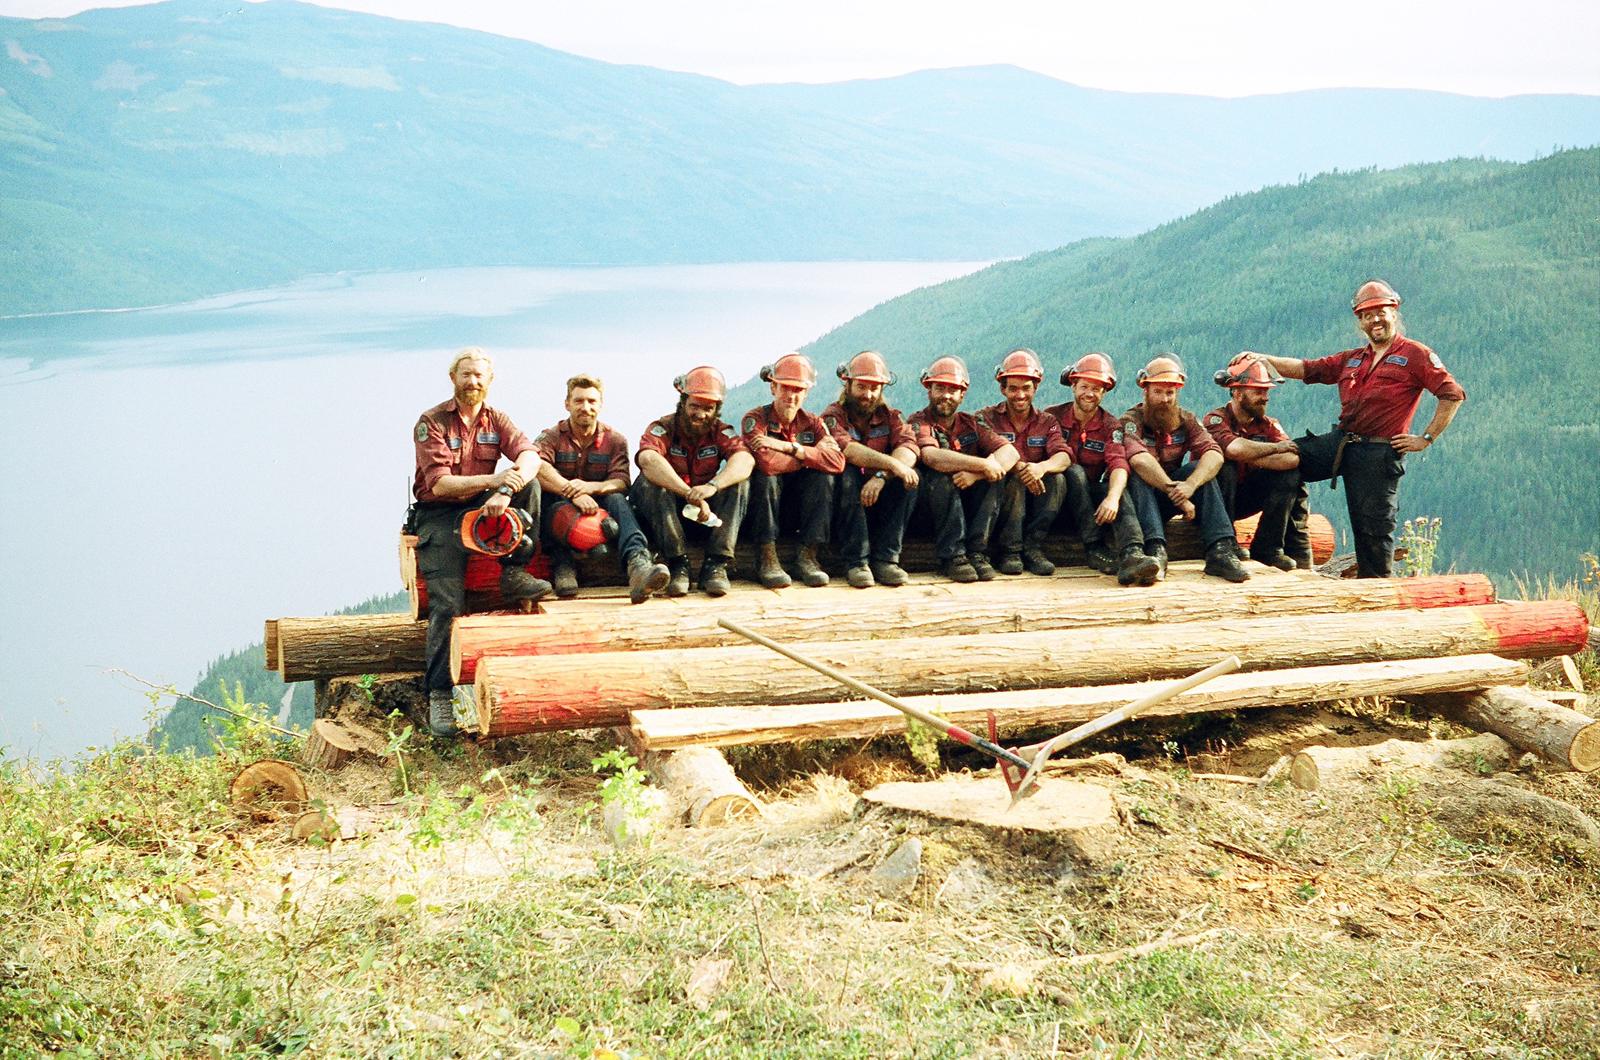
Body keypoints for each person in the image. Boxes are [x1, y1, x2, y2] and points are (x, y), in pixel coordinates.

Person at [1241, 280, 1465, 578]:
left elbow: (1452, 395)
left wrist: (1426, 438)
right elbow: (1307, 368)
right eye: (1367, 315)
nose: (1375, 320)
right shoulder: (1354, 358)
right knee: (1286, 460)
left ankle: (1375, 592)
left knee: (1373, 532)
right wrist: (1262, 360)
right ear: (1360, 321)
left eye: (1381, 312)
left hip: (1379, 453)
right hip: (1343, 441)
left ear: (1394, 312)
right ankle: (1279, 550)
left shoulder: (1416, 354)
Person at [410, 347, 549, 737]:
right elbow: (440, 484)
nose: (473, 382)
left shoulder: (496, 418)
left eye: (479, 376)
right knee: (447, 604)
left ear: (490, 380)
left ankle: (514, 572)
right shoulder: (432, 422)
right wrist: (495, 480)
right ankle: (440, 694)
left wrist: (506, 489)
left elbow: (530, 456)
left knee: (531, 485)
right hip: (439, 515)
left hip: (482, 505)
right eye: (466, 374)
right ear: (453, 378)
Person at [533, 374, 670, 604]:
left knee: (617, 499)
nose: (585, 407)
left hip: (599, 508)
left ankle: (638, 563)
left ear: (600, 405)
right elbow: (538, 467)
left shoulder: (615, 439)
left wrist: (591, 488)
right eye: (578, 401)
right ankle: (562, 565)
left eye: (591, 401)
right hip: (561, 507)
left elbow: (621, 481)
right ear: (567, 404)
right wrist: (572, 492)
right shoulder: (551, 437)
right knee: (545, 496)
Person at [1120, 354, 1250, 583]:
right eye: (1158, 392)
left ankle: (1220, 550)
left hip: (1170, 496)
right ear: (1145, 391)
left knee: (1199, 469)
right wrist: (1176, 493)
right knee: (1136, 476)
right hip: (1140, 502)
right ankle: (1155, 549)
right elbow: (1139, 459)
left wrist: (1191, 484)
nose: (1164, 399)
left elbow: (1214, 454)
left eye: (1170, 393)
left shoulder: (1186, 420)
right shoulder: (1131, 420)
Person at [632, 366, 755, 597]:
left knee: (740, 484)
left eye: (708, 408)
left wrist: (712, 487)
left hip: (705, 516)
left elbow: (745, 460)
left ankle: (716, 564)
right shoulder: (663, 428)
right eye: (694, 406)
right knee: (649, 484)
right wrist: (688, 493)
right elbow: (648, 459)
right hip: (669, 515)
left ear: (716, 410)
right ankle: (677, 563)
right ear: (683, 403)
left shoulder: (720, 432)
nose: (701, 414)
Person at [1045, 354, 1161, 586]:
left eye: (1096, 389)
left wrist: (1113, 498)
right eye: (1084, 387)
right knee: (1073, 472)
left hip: (1087, 504)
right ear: (1073, 386)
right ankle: (1094, 547)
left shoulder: (1110, 425)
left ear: (1104, 392)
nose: (1089, 393)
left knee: (1114, 487)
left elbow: (1118, 463)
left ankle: (1132, 553)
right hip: (1052, 503)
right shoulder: (1052, 417)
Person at [907, 356, 1019, 582]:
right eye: (940, 389)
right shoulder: (919, 422)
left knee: (993, 478)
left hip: (965, 507)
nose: (946, 395)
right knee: (941, 478)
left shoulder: (972, 423)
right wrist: (983, 464)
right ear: (929, 390)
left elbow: (1011, 453)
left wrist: (976, 475)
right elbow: (932, 457)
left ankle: (977, 552)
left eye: (953, 390)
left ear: (962, 394)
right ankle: (953, 557)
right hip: (930, 509)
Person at [741, 352, 846, 587]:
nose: (791, 396)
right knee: (766, 479)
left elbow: (837, 462)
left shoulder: (814, 423)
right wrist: (812, 456)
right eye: (785, 388)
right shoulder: (756, 419)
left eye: (798, 390)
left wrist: (790, 448)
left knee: (824, 479)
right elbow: (767, 463)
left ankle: (808, 555)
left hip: (798, 508)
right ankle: (767, 557)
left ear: (806, 393)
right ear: (773, 388)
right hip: (765, 509)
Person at [821, 351, 920, 588]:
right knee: (846, 475)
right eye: (861, 387)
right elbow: (848, 450)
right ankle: (857, 562)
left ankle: (886, 559)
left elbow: (909, 448)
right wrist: (892, 464)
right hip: (846, 506)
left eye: (874, 388)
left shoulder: (891, 417)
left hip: (878, 498)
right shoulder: (833, 416)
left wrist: (883, 476)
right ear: (848, 385)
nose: (868, 394)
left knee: (911, 478)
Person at [1204, 356, 1311, 571]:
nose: (1265, 398)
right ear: (1237, 393)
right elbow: (1234, 449)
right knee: (1226, 467)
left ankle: (1268, 549)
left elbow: (1292, 458)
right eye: (1258, 391)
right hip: (1212, 503)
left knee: (1290, 475)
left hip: (1245, 497)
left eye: (1266, 391)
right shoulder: (1216, 419)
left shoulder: (1269, 425)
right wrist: (1275, 449)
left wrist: (1250, 453)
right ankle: (1225, 542)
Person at [978, 348, 1071, 576]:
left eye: (1026, 388)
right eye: (1013, 388)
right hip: (999, 501)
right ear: (1003, 389)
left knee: (1058, 480)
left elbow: (1064, 456)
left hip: (1036, 499)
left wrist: (1041, 467)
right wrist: (1021, 468)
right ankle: (1010, 551)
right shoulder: (986, 418)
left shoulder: (1047, 421)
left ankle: (1032, 547)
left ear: (1035, 387)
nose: (1020, 395)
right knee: (1014, 480)